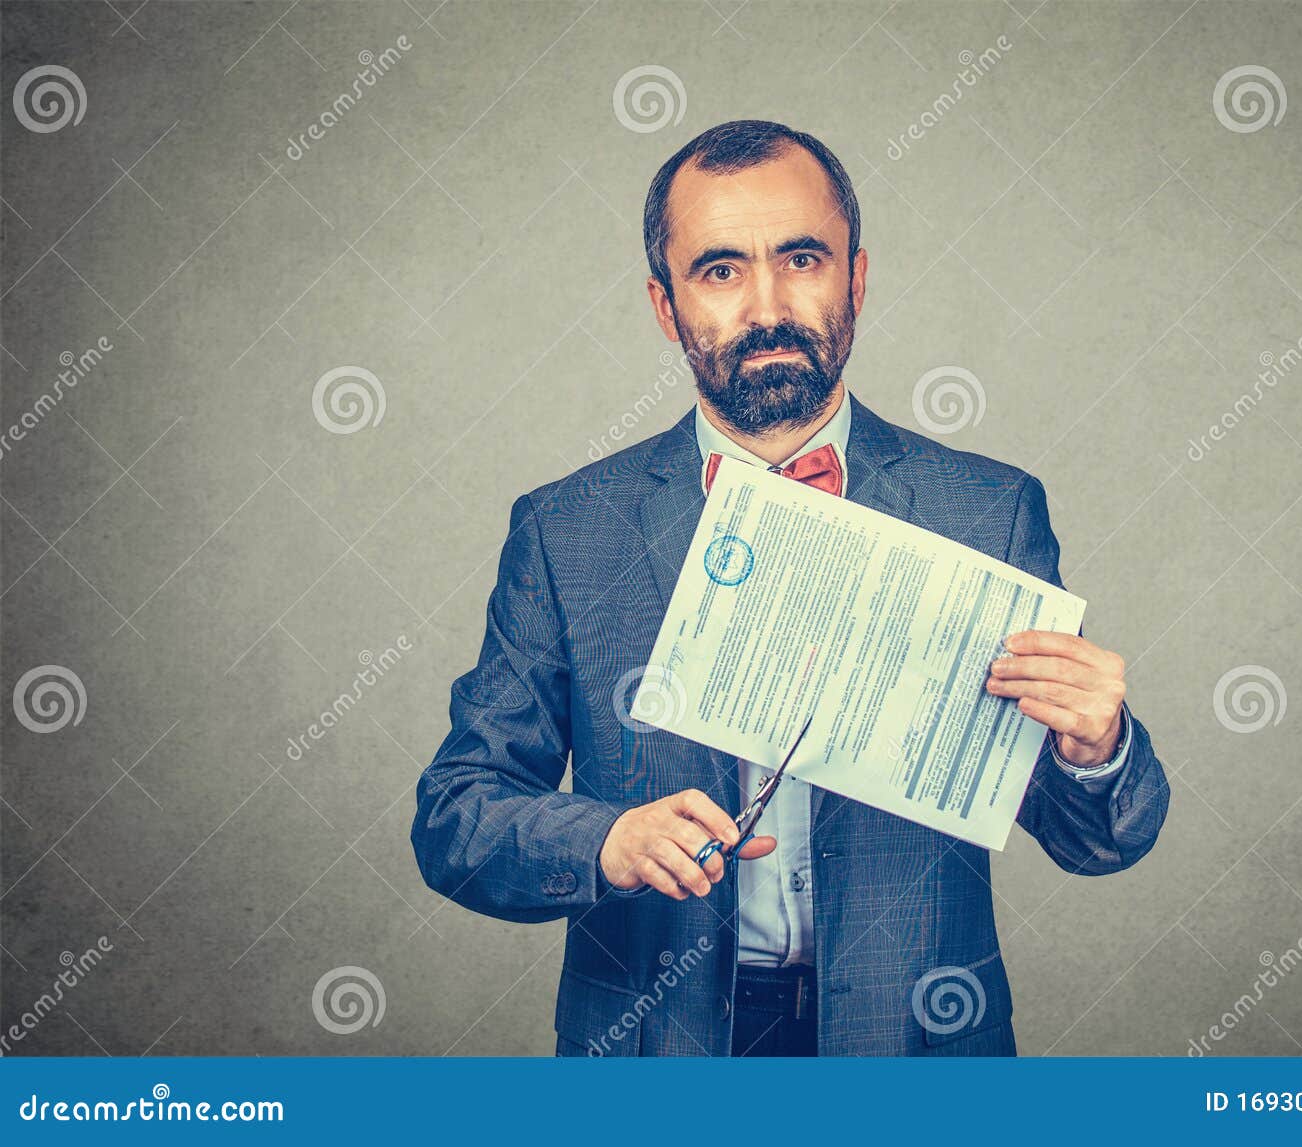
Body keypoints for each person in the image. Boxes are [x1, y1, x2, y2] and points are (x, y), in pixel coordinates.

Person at [411, 119, 1169, 1056]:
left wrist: (1094, 747)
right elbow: (456, 815)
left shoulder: (991, 512)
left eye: (801, 258)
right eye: (720, 270)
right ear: (665, 303)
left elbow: (1098, 839)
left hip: (917, 1051)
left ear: (855, 278)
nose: (766, 305)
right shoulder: (567, 531)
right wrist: (604, 841)